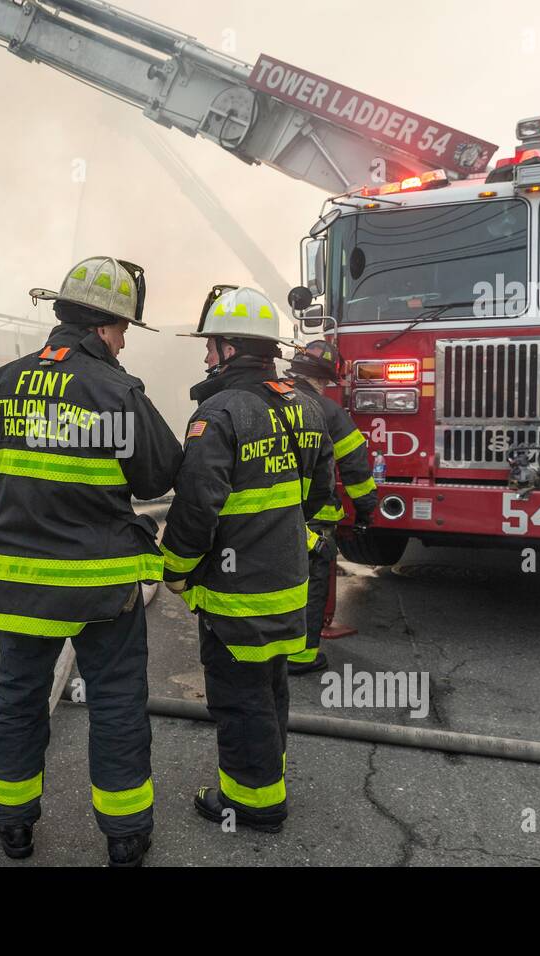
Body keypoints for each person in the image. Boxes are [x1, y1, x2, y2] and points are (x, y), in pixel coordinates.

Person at [0, 256, 182, 867]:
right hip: (100, 586)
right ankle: (125, 836)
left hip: (17, 581)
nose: (122, 344)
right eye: (122, 331)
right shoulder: (116, 391)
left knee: (18, 695)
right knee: (114, 702)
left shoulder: (2, 383)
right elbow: (159, 474)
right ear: (104, 326)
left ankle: (11, 825)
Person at [159, 285, 333, 833]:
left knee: (239, 699)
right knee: (271, 689)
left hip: (239, 591)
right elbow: (317, 495)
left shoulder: (219, 413)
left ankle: (252, 805)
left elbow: (196, 506)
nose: (206, 357)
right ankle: (266, 783)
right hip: (287, 581)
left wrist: (176, 568)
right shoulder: (304, 405)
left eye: (210, 347)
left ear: (231, 349)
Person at [285, 340, 378, 674]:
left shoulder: (269, 400)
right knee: (310, 587)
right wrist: (366, 510)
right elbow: (355, 466)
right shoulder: (328, 412)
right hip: (316, 519)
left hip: (270, 515)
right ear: (324, 379)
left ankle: (269, 650)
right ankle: (302, 656)